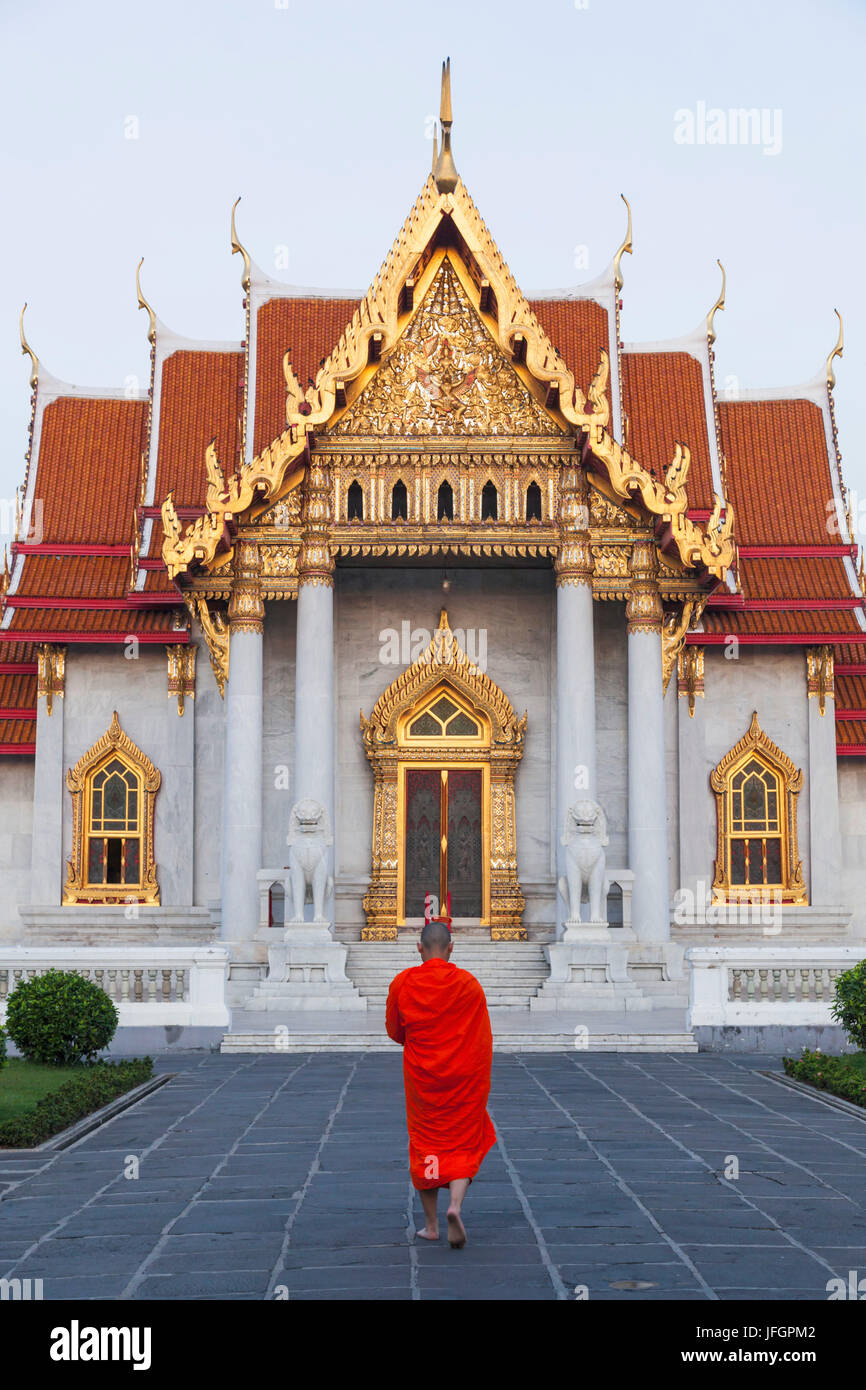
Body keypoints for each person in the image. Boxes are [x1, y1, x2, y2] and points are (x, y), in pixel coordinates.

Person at [385, 920, 496, 1248]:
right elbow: (482, 1038)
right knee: (464, 1140)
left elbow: (395, 1032)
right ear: (451, 948)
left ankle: (432, 1225)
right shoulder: (468, 984)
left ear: (419, 948)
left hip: (423, 1080)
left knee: (426, 1144)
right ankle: (456, 1206)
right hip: (462, 1079)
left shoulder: (403, 983)